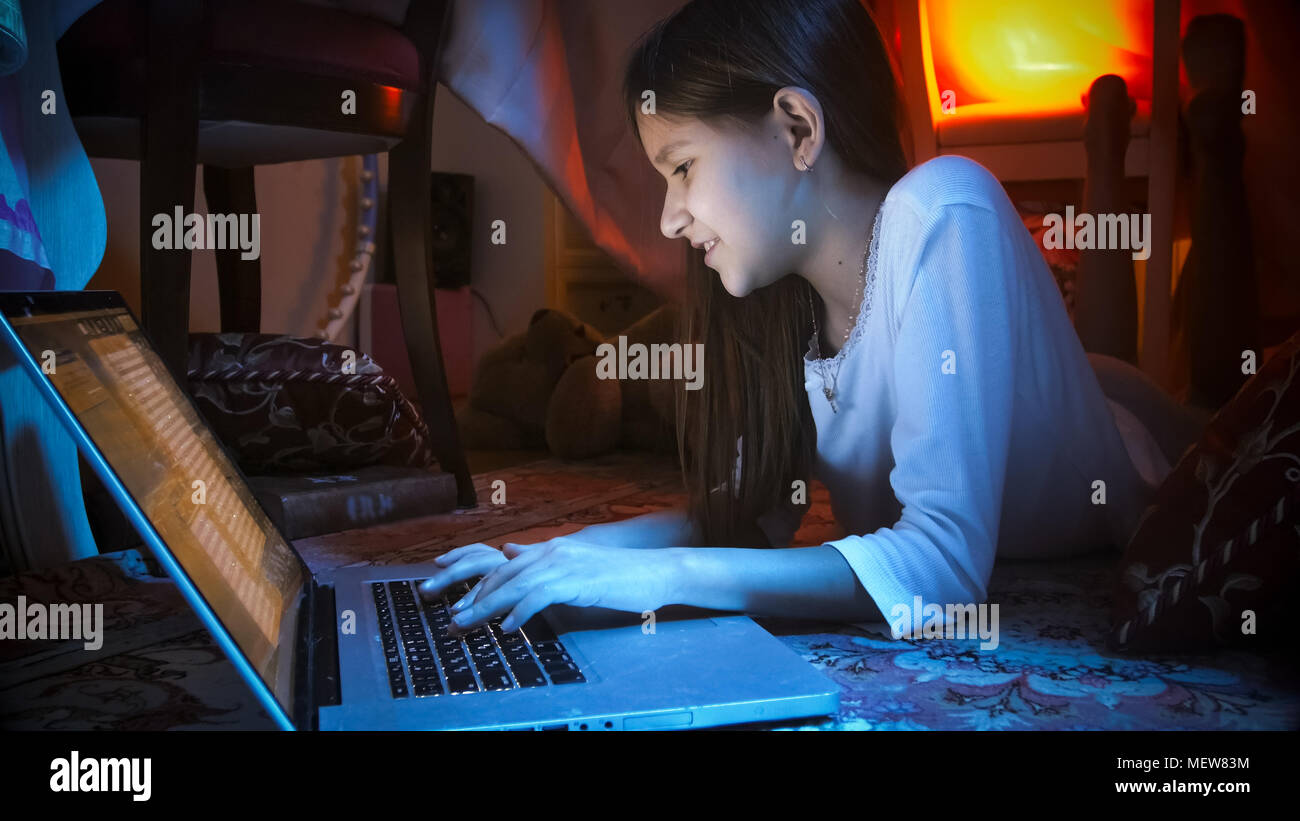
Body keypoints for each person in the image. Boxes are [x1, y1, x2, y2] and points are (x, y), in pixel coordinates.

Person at [419, 0, 1199, 638]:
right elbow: (752, 517)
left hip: (1136, 438)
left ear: (797, 129)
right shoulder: (779, 301)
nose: (667, 220)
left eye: (682, 167)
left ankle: (1109, 145)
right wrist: (554, 553)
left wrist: (656, 577)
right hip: (1053, 394)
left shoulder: (944, 206)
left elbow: (942, 567)